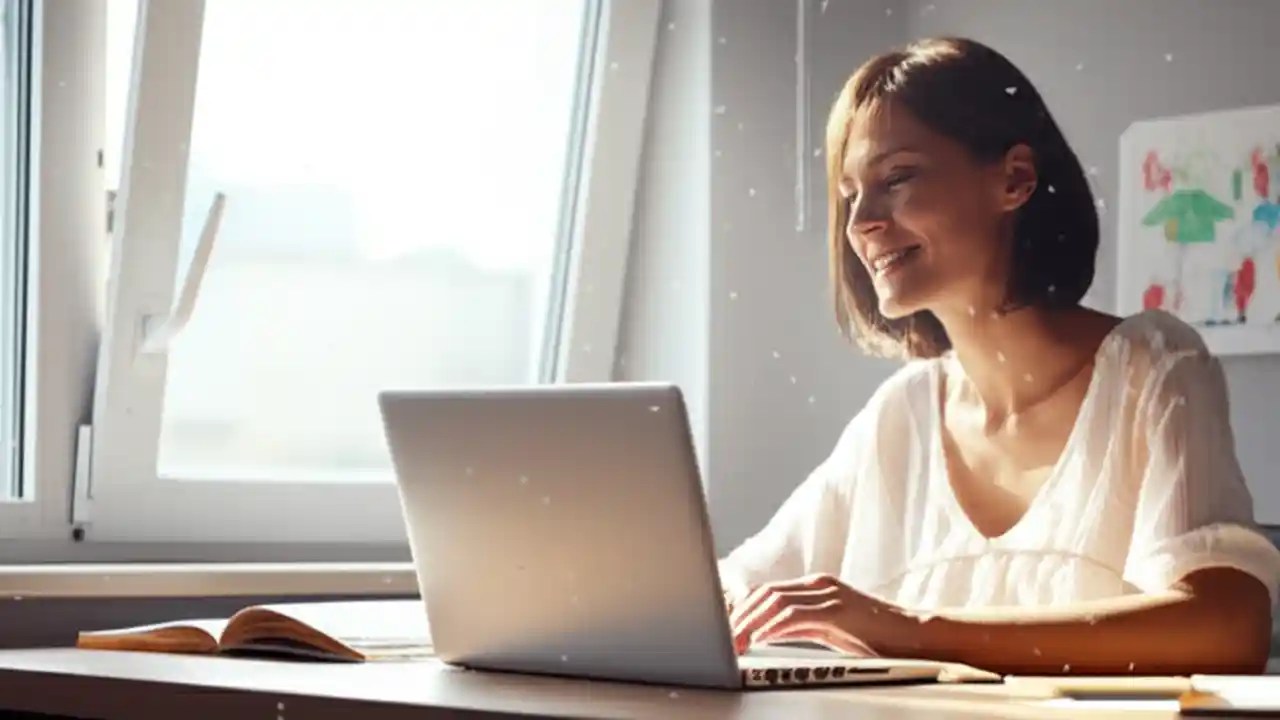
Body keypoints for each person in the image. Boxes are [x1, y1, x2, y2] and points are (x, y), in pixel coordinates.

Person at [718, 37, 1280, 676]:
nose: (860, 223)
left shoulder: (1153, 368)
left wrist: (909, 630)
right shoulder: (900, 415)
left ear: (1013, 179)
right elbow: (731, 592)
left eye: (897, 178)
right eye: (850, 195)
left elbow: (1224, 628)